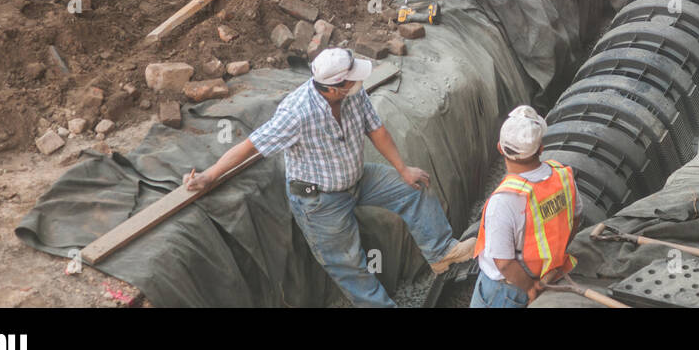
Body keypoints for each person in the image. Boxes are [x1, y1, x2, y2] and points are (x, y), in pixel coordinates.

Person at [184, 47, 475, 307]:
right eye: (353, 78)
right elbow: (252, 145)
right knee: (349, 264)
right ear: (334, 87)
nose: (359, 81)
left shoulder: (354, 92)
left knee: (412, 188)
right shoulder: (297, 113)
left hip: (357, 179)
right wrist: (209, 176)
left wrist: (403, 169)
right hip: (319, 201)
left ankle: (441, 253)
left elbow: (376, 130)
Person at [470, 106, 580, 308]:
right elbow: (575, 219)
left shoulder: (504, 201)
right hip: (549, 272)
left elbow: (503, 262)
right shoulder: (563, 175)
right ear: (540, 148)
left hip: (507, 290)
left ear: (500, 149)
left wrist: (530, 287)